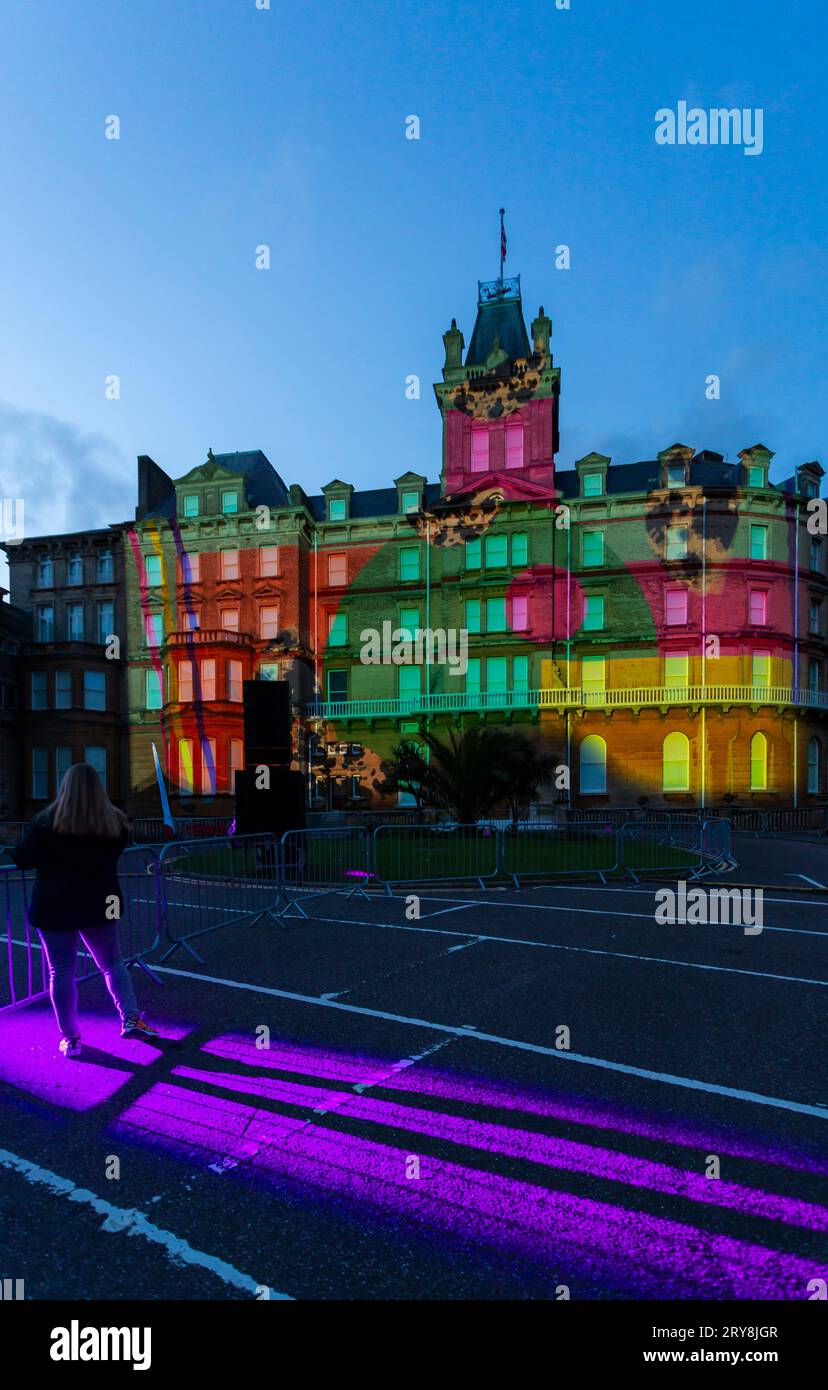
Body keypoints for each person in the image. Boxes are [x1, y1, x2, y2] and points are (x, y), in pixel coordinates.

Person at [11, 763, 159, 1058]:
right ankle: (131, 1018)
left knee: (61, 971)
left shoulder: (46, 822)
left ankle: (71, 1038)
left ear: (65, 788)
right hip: (102, 901)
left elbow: (22, 859)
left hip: (55, 904)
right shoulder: (115, 822)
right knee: (113, 962)